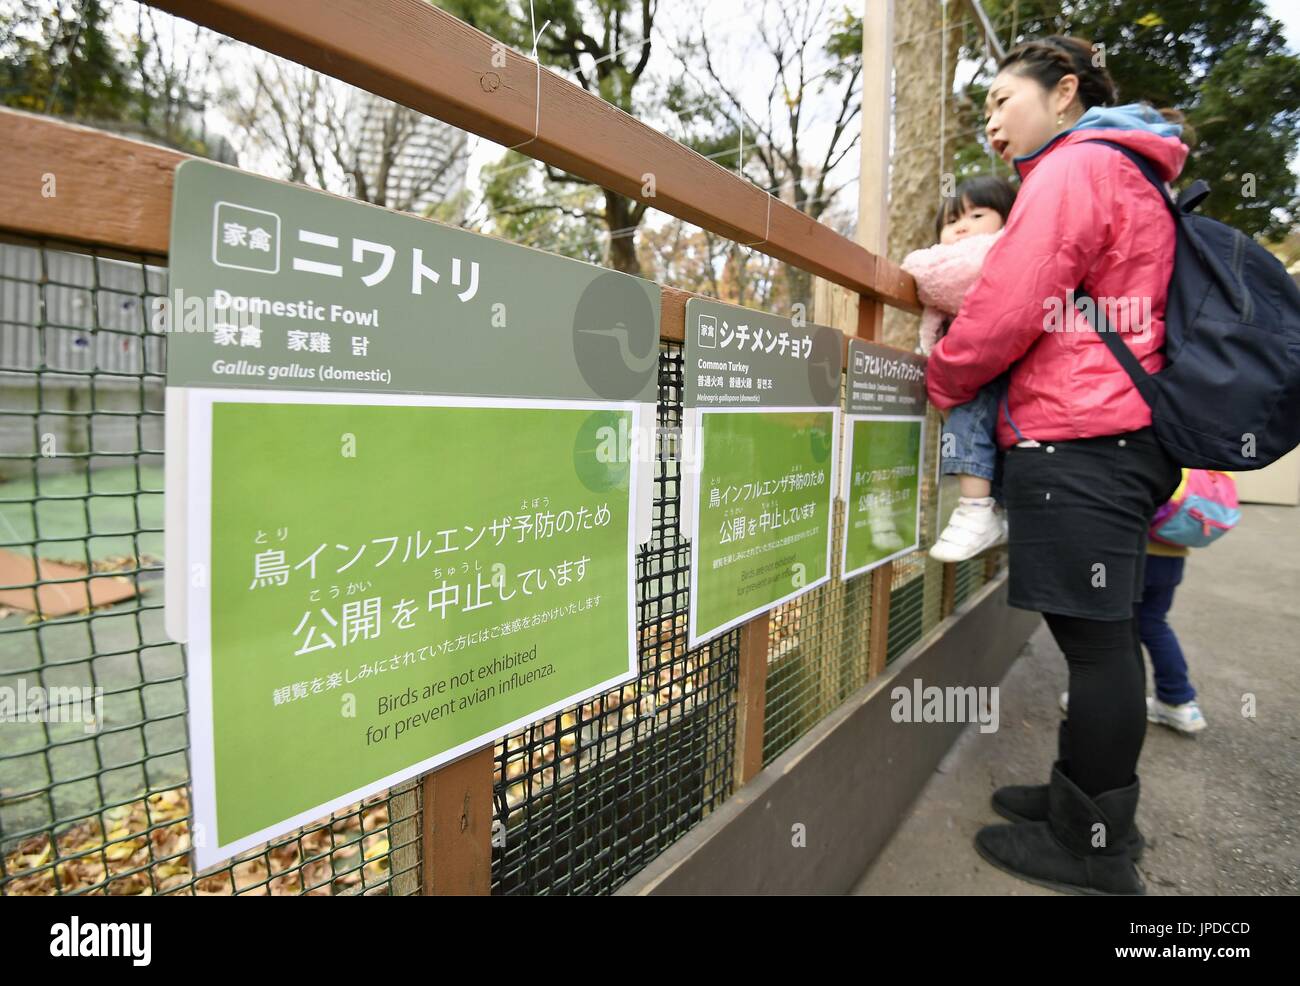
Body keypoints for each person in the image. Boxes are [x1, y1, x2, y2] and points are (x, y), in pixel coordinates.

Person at [924, 35, 1188, 895]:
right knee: (1096, 639)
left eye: (1004, 98)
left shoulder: (1077, 169)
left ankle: (1095, 848)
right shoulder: (1127, 166)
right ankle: (1080, 803)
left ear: (1065, 91)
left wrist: (945, 374)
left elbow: (1011, 302)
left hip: (1084, 432)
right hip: (1114, 430)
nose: (991, 120)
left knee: (1098, 644)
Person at [900, 176, 1019, 562]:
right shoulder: (946, 271)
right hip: (968, 369)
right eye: (952, 221)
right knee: (978, 429)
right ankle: (989, 509)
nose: (962, 226)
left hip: (986, 365)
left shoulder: (1004, 252)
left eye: (977, 214)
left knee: (971, 423)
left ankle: (976, 508)